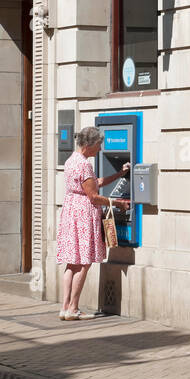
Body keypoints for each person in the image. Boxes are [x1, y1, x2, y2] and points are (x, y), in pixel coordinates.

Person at [56, 127, 129, 321]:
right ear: (88, 145)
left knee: (72, 263)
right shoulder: (85, 165)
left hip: (71, 211)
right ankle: (73, 308)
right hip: (83, 214)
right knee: (84, 263)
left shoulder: (71, 160)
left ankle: (65, 308)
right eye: (98, 145)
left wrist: (119, 174)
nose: (100, 149)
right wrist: (117, 203)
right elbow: (94, 196)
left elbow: (94, 183)